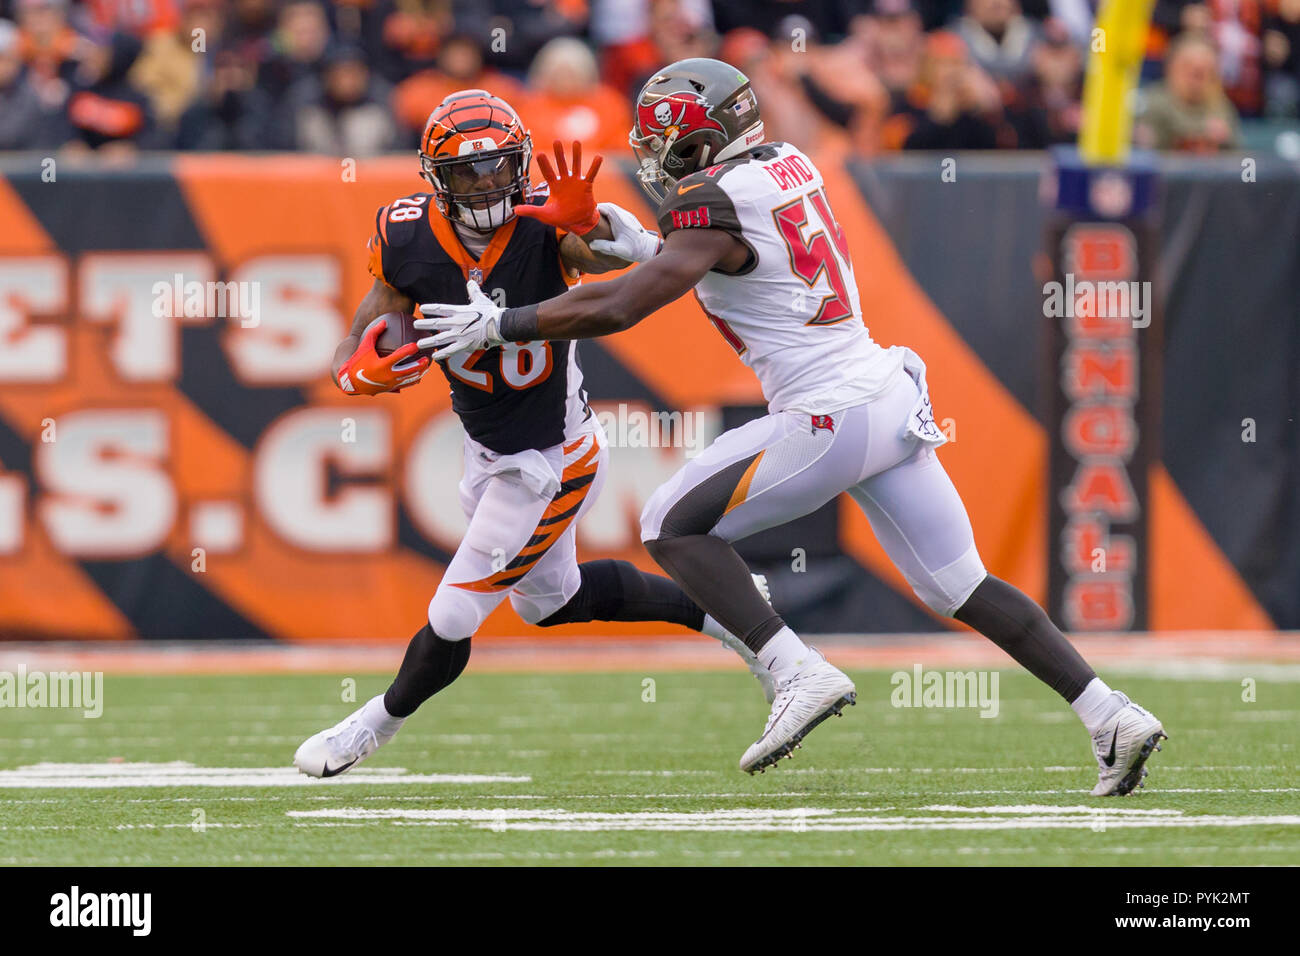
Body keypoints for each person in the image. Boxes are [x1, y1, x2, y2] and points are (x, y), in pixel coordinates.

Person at [416, 59, 1168, 794]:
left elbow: (629, 302)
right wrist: (613, 232)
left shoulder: (711, 202)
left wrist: (502, 323)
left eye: (660, 141)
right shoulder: (786, 163)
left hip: (827, 415)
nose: (652, 158)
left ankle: (794, 669)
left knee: (670, 523)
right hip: (887, 398)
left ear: (699, 140)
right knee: (960, 585)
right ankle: (1110, 714)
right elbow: (715, 260)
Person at [293, 90, 772, 778]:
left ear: (520, 167)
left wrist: (588, 221)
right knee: (554, 601)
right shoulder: (406, 234)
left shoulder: (544, 221)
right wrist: (350, 370)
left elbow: (608, 255)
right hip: (487, 452)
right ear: (437, 179)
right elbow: (370, 321)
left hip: (553, 457)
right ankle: (734, 609)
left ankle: (372, 725)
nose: (488, 185)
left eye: (498, 168)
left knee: (455, 614)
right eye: (469, 173)